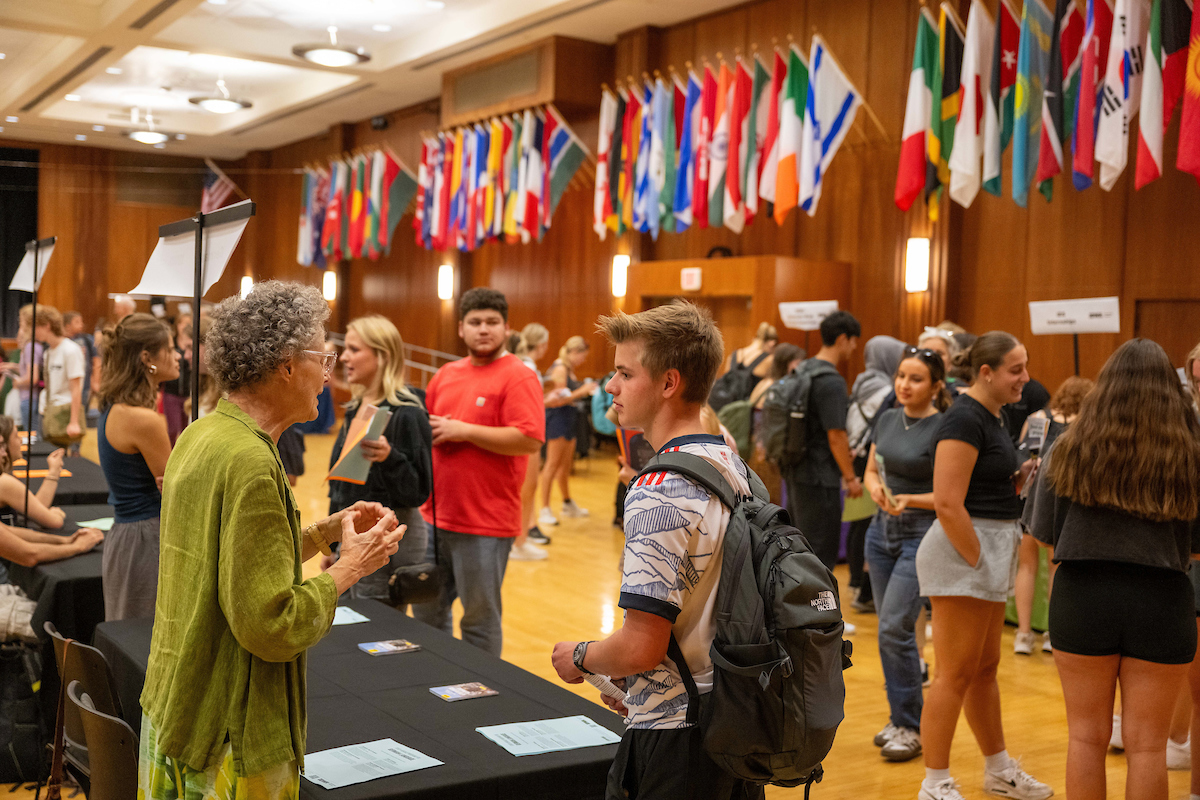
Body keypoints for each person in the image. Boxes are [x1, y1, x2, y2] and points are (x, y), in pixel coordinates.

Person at [138, 281, 404, 798]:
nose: (328, 375)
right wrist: (349, 567)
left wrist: (326, 534)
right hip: (227, 730)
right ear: (285, 365)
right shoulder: (252, 461)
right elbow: (270, 626)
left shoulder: (203, 433)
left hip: (176, 701)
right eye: (322, 358)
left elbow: (230, 559)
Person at [551, 300, 763, 800]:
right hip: (737, 714)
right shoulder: (731, 462)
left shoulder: (659, 489)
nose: (610, 387)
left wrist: (581, 657)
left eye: (625, 373)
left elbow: (641, 645)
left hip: (678, 740)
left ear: (669, 383)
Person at [1024, 339, 1200, 800]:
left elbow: (1043, 535)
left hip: (1083, 595)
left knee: (1085, 737)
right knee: (1147, 748)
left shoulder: (1065, 448)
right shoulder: (1190, 456)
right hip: (1163, 599)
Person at [915, 331, 1051, 800]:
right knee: (952, 674)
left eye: (1025, 366)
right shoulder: (963, 418)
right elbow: (949, 503)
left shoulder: (994, 415)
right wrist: (977, 560)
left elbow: (982, 489)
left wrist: (1019, 478)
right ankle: (934, 782)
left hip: (988, 550)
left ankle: (997, 769)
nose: (1025, 379)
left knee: (986, 669)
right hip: (963, 554)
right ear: (987, 372)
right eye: (1016, 369)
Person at [410, 287, 544, 657]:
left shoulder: (518, 376)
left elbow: (529, 439)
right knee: (426, 614)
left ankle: (480, 698)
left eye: (492, 322)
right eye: (475, 322)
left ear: (506, 328)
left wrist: (463, 431)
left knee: (479, 622)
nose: (483, 329)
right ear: (461, 328)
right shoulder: (445, 375)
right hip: (434, 517)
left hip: (484, 522)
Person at [863, 347, 950, 763]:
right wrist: (874, 487)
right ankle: (900, 717)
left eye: (915, 379)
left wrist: (911, 499)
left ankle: (910, 725)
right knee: (890, 629)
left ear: (936, 386)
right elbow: (873, 468)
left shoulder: (945, 427)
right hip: (880, 534)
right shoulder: (887, 418)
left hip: (921, 534)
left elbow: (951, 496)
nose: (904, 385)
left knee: (894, 629)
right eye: (901, 376)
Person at [327, 315, 433, 600]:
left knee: (374, 631)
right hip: (351, 539)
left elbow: (418, 492)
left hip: (387, 540)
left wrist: (390, 457)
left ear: (382, 356)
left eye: (354, 349)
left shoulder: (408, 413)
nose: (344, 357)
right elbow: (342, 482)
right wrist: (332, 544)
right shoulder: (355, 408)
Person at [96, 313, 179, 621]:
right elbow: (176, 487)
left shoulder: (113, 407)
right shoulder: (144, 420)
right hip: (147, 537)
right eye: (170, 349)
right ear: (147, 358)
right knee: (144, 638)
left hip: (124, 536)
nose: (178, 356)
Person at [1012, 375, 1095, 656]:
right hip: (1063, 505)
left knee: (1026, 567)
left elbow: (1027, 456)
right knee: (1056, 569)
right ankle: (1051, 632)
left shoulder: (1038, 417)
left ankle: (1023, 634)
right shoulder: (1087, 422)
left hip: (1028, 501)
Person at [782, 310, 862, 572]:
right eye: (853, 341)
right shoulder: (831, 381)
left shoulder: (802, 369)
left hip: (795, 470)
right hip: (820, 477)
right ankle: (817, 609)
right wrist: (850, 478)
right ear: (842, 339)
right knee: (819, 553)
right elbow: (836, 434)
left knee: (799, 547)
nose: (853, 348)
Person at [846, 335, 907, 611]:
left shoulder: (861, 382)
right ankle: (863, 586)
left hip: (856, 456)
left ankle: (857, 583)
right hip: (874, 459)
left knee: (858, 521)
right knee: (867, 520)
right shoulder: (884, 389)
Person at [537, 335, 597, 527]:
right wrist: (583, 390)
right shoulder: (560, 368)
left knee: (565, 466)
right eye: (582, 356)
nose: (583, 360)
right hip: (559, 420)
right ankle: (544, 509)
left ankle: (567, 502)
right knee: (552, 465)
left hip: (569, 419)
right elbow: (558, 399)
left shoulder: (568, 369)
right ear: (573, 352)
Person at [747, 344, 804, 504]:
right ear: (787, 363)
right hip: (765, 452)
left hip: (755, 449)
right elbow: (764, 422)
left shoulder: (763, 383)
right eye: (798, 363)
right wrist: (765, 448)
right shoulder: (776, 388)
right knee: (771, 503)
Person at [514, 323, 551, 559]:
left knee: (529, 487)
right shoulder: (525, 366)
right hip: (528, 432)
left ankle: (521, 538)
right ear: (541, 345)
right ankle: (519, 541)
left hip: (530, 429)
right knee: (526, 488)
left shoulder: (525, 365)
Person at [0, 414, 68, 531]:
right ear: (3, 445)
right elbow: (54, 522)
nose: (21, 440)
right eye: (16, 436)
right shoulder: (4, 482)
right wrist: (57, 514)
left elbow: (33, 507)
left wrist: (54, 471)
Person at [33, 306, 86, 449]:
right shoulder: (48, 352)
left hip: (65, 413)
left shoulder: (70, 350)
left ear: (47, 325)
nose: (34, 332)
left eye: (36, 326)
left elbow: (76, 388)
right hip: (49, 410)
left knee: (66, 459)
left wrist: (74, 421)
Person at [11, 306, 44, 433]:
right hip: (31, 399)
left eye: (22, 321)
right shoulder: (34, 345)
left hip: (30, 399)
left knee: (32, 436)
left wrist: (17, 382)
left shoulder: (31, 346)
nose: (20, 324)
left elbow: (32, 378)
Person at [63, 312, 99, 422]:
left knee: (82, 415)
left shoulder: (87, 339)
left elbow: (96, 360)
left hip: (85, 384)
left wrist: (95, 379)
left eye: (81, 322)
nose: (81, 324)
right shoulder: (63, 341)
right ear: (67, 325)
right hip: (67, 385)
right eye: (77, 322)